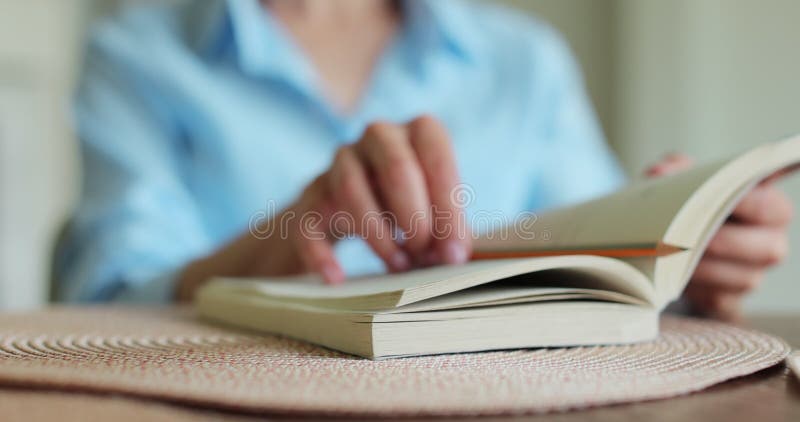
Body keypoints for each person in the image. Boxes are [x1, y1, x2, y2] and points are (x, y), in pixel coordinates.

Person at [57, 0, 792, 320]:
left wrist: (692, 260)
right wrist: (297, 230)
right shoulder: (135, 56)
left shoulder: (525, 62)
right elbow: (112, 307)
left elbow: (610, 275)